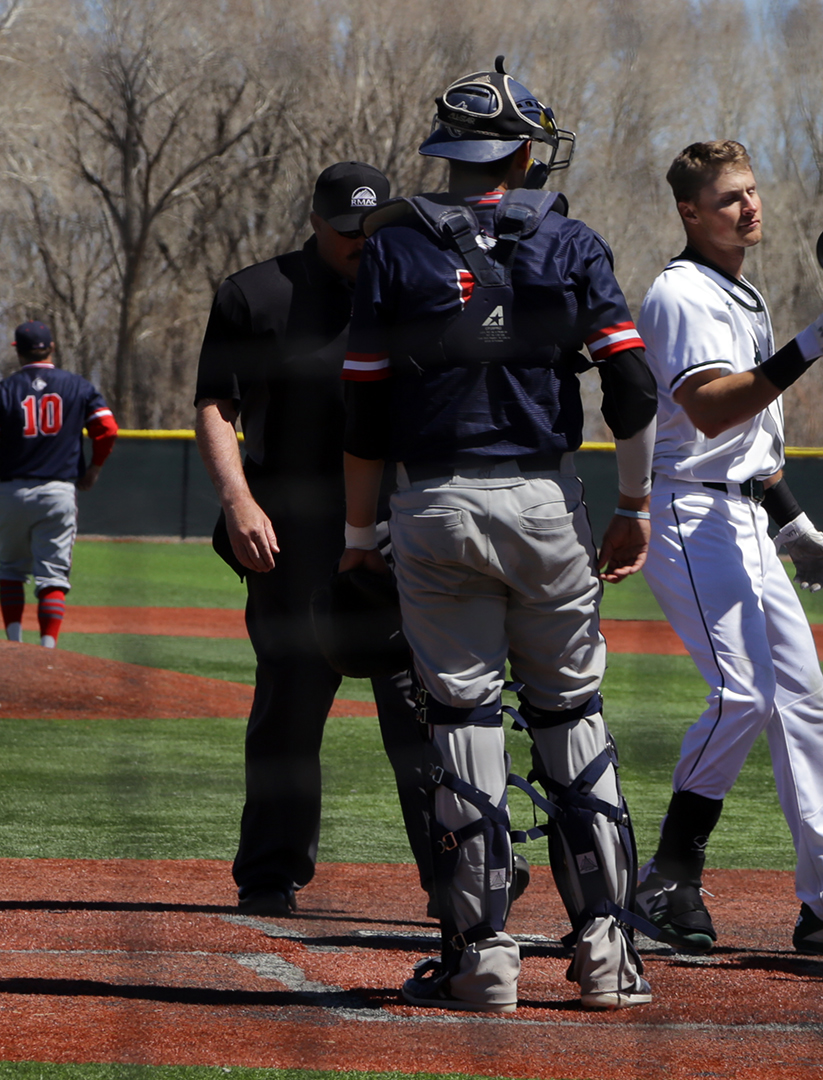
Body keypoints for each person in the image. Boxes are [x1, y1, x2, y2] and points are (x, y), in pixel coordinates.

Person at [338, 60, 657, 1014]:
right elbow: (633, 391)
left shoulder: (392, 249)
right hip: (546, 503)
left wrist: (360, 535)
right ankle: (608, 957)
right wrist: (632, 506)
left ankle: (483, 960)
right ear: (521, 152)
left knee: (463, 723)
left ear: (447, 154)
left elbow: (362, 417)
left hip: (432, 507)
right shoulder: (572, 242)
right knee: (570, 716)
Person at [630, 140, 823, 958]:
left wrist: (788, 517)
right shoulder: (678, 294)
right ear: (689, 213)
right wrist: (806, 349)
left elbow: (754, 443)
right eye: (728, 199)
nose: (750, 207)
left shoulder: (742, 294)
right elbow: (711, 412)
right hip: (690, 519)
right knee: (743, 696)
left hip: (744, 520)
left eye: (751, 192)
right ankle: (668, 877)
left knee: (806, 711)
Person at [192, 162, 446, 919]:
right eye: (345, 233)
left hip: (395, 528)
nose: (358, 246)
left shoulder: (411, 291)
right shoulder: (255, 294)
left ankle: (452, 870)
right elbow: (215, 403)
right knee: (291, 703)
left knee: (419, 705)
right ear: (314, 220)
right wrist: (238, 502)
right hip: (289, 530)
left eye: (371, 233)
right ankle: (269, 874)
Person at [0, 320, 116, 648]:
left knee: (9, 569)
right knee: (52, 575)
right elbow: (107, 428)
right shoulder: (78, 386)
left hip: (9, 491)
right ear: (51, 347)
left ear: (18, 351)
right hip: (58, 491)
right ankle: (49, 650)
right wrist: (93, 468)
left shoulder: (6, 389)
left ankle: (13, 643)